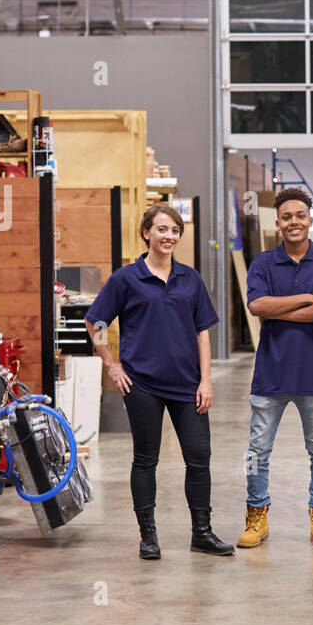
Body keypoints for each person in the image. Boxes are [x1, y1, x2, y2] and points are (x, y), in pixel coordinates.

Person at [85, 205, 233, 559]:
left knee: (199, 457)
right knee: (145, 459)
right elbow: (96, 322)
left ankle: (202, 532)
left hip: (187, 385)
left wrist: (207, 381)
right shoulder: (126, 278)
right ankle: (148, 536)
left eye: (175, 231)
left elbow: (202, 333)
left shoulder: (190, 279)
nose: (169, 236)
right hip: (143, 385)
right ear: (146, 233)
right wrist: (112, 365)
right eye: (162, 229)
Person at [239, 187, 313, 550]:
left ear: (310, 221)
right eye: (287, 217)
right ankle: (256, 516)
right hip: (270, 373)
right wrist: (304, 298)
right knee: (256, 452)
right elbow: (257, 306)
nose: (294, 222)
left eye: (300, 216)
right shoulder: (263, 263)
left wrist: (280, 309)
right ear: (278, 222)